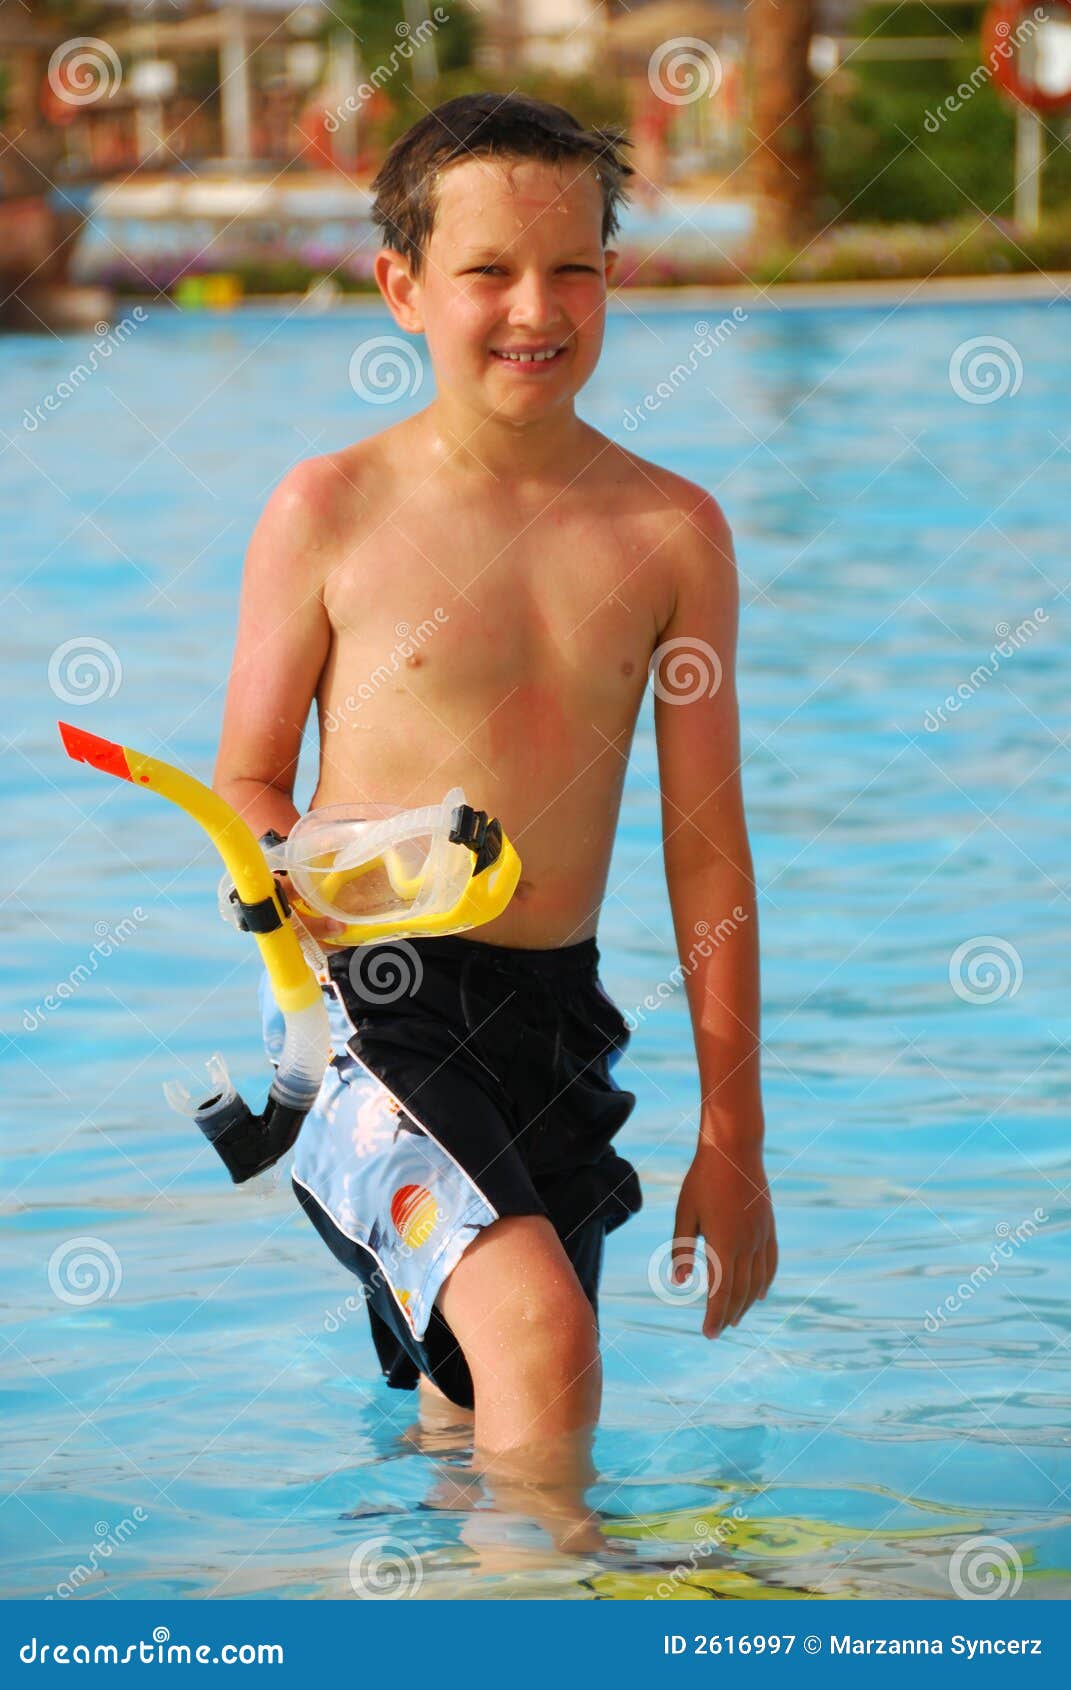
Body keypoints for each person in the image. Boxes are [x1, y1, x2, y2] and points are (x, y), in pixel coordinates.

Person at [212, 92, 777, 1520]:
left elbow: (705, 847)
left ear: (612, 277)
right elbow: (248, 777)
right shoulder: (327, 510)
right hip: (375, 1015)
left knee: (477, 1418)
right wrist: (305, 861)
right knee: (539, 1338)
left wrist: (734, 1135)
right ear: (401, 286)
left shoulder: (670, 533)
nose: (538, 306)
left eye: (575, 267)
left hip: (555, 1025)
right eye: (489, 273)